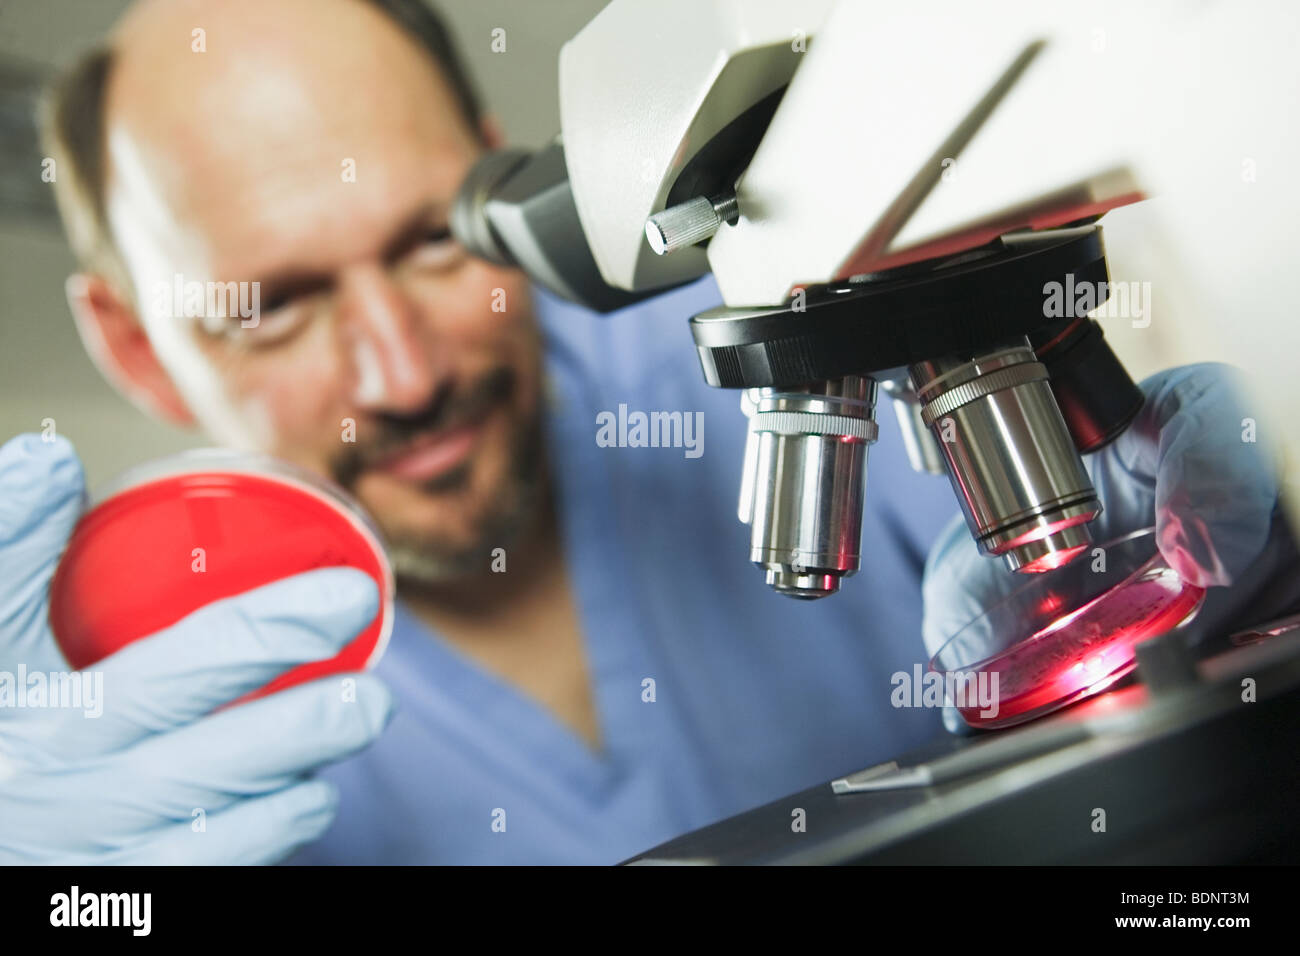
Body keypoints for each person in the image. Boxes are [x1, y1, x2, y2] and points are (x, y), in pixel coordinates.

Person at [0, 0, 1288, 864]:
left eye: (433, 247)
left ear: (503, 193)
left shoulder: (774, 330)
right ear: (130, 345)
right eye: (276, 310)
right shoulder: (110, 674)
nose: (401, 374)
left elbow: (1122, 607)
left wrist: (1213, 524)